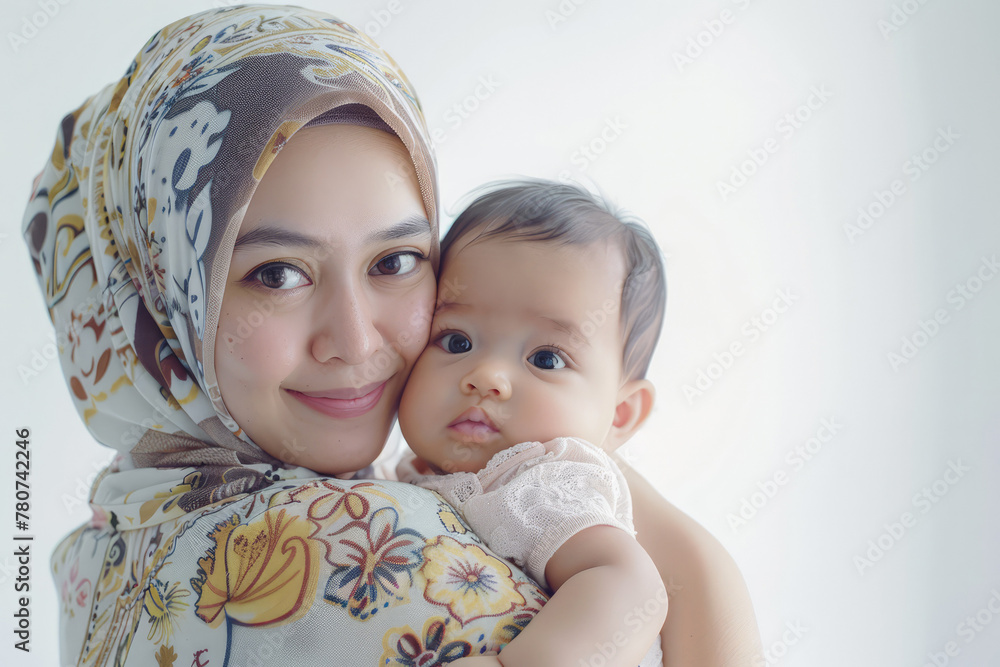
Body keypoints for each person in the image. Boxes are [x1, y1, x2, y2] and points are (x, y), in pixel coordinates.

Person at [22, 4, 762, 666]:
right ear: (158, 292)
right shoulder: (356, 559)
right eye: (277, 274)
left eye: (397, 260)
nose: (354, 340)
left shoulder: (101, 547)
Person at [394, 180, 668, 667]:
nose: (487, 376)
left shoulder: (541, 480)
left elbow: (631, 586)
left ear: (619, 414)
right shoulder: (418, 472)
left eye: (546, 358)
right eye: (457, 341)